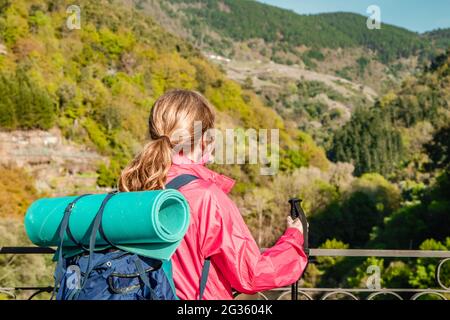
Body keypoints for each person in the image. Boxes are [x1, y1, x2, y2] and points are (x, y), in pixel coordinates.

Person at [118, 89, 308, 300]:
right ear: (203, 140)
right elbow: (252, 274)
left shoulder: (133, 185)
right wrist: (294, 238)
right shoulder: (205, 197)